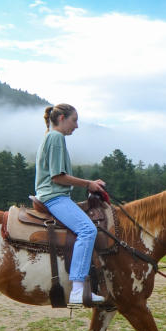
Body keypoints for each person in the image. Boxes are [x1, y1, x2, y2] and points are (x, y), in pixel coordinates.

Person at [35, 103, 107, 304]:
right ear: (61, 119)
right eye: (74, 120)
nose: (76, 126)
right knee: (87, 230)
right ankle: (77, 289)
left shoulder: (50, 137)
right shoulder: (56, 137)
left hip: (54, 195)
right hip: (54, 196)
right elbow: (58, 177)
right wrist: (89, 184)